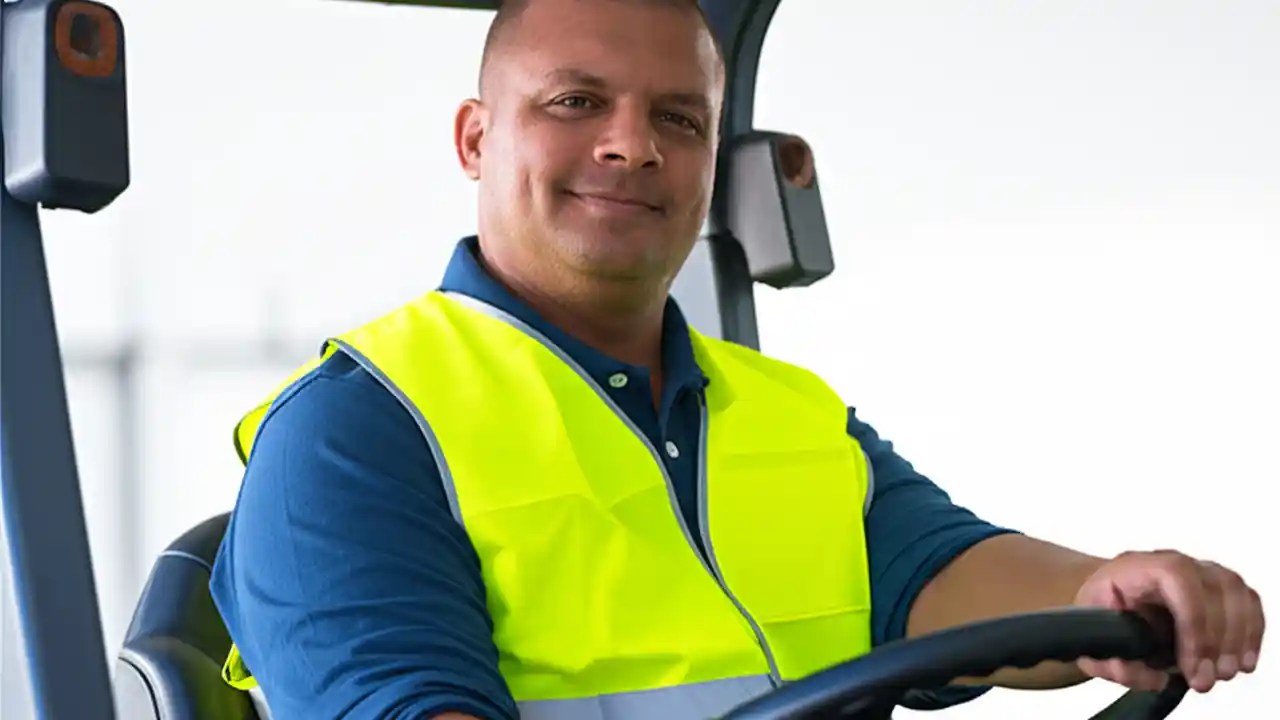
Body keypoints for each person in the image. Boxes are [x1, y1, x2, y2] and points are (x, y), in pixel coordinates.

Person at [209, 0, 1265, 718]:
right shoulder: (356, 434)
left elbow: (936, 571)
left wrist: (1104, 591)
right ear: (476, 140)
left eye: (679, 117)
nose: (634, 146)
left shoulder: (783, 413)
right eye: (576, 103)